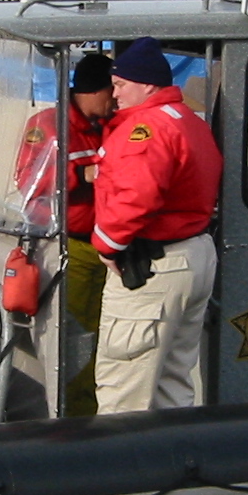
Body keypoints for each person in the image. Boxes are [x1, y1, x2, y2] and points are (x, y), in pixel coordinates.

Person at [91, 37, 222, 411]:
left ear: (146, 84)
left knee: (124, 392)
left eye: (120, 85)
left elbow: (136, 195)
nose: (113, 94)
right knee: (173, 384)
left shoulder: (144, 129)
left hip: (153, 268)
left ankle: (119, 469)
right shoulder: (190, 122)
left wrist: (107, 246)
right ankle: (178, 464)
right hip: (195, 256)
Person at [13, 52, 115, 415]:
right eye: (112, 90)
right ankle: (76, 418)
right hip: (70, 248)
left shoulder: (105, 125)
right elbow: (29, 181)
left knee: (102, 338)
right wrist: (84, 175)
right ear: (97, 89)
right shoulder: (49, 126)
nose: (116, 99)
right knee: (77, 342)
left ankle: (92, 409)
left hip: (104, 248)